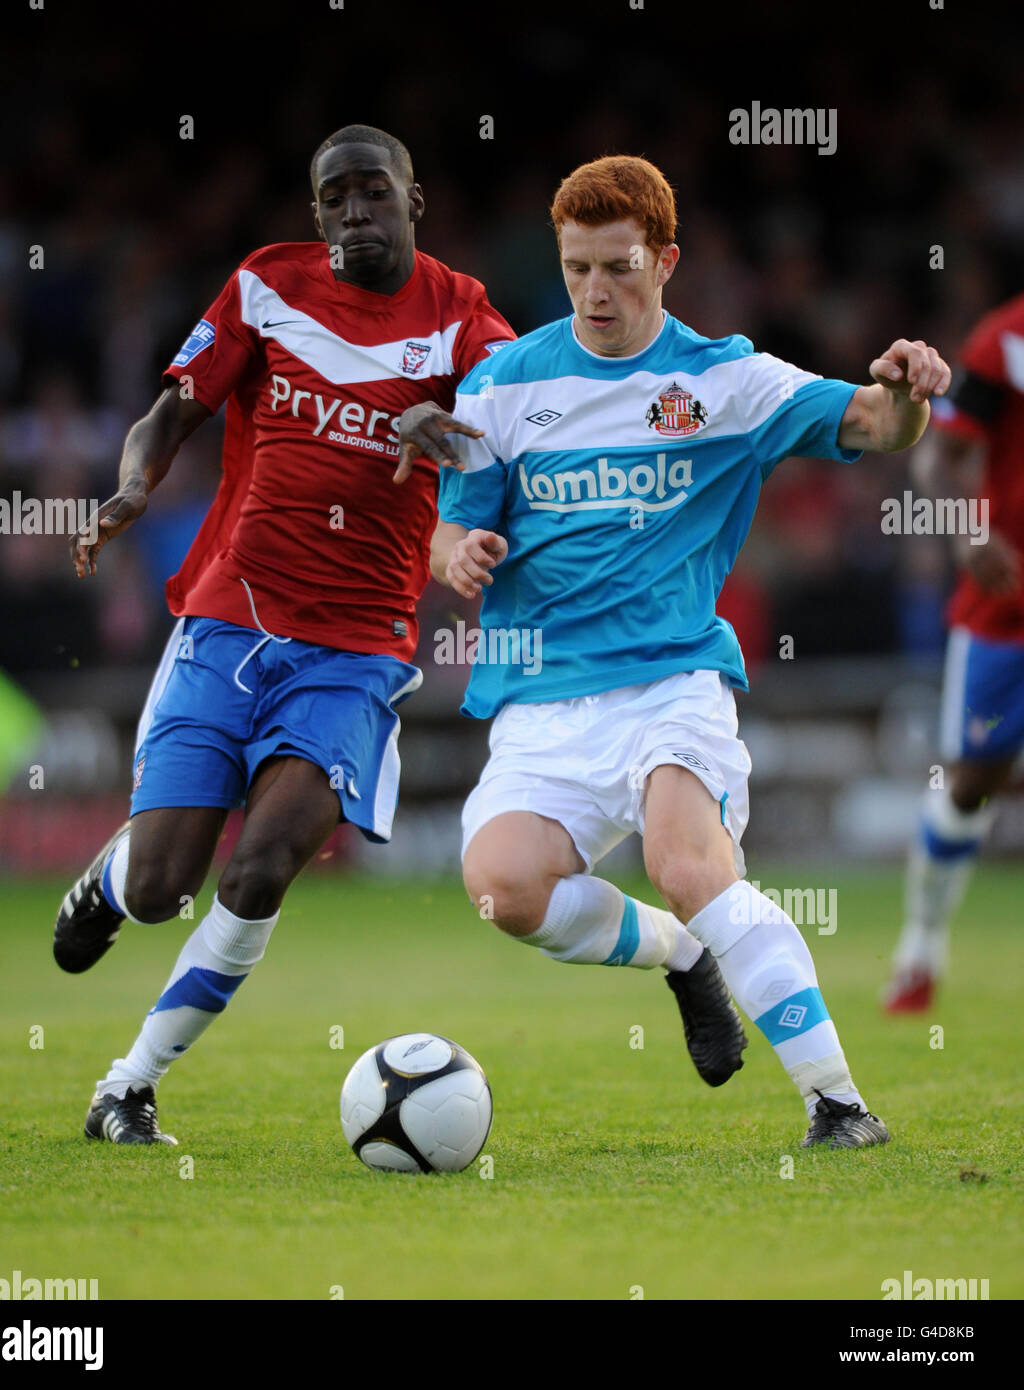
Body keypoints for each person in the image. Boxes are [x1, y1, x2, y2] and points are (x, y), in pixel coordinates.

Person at [397, 155, 951, 1146]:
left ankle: (837, 1103)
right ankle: (681, 959)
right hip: (542, 698)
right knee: (502, 888)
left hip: (670, 682)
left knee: (686, 862)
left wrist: (903, 389)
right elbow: (445, 525)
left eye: (616, 267)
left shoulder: (723, 380)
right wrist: (456, 551)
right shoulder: (502, 388)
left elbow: (874, 422)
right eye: (576, 269)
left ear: (666, 259)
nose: (593, 291)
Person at [53, 125, 516, 1144]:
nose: (356, 212)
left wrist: (454, 428)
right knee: (165, 882)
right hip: (229, 616)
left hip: (357, 648)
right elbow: (174, 408)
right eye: (335, 197)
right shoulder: (265, 285)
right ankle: (114, 875)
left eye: (374, 193)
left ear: (413, 200)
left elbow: (519, 416)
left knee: (259, 867)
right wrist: (133, 485)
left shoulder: (461, 316)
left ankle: (127, 1084)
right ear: (316, 212)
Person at [884, 292, 1024, 1013]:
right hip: (1007, 608)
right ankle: (921, 947)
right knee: (973, 783)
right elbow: (938, 456)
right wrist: (968, 532)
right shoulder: (1004, 342)